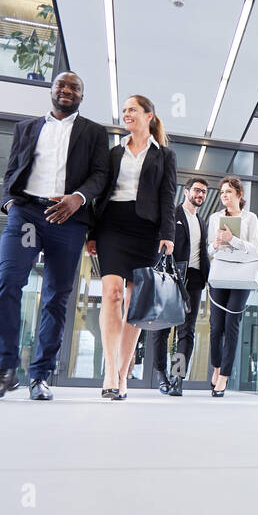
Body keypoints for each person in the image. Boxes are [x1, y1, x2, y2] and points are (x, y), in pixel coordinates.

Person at [0, 72, 109, 401]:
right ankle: (6, 369)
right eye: (61, 86)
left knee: (56, 296)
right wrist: (10, 202)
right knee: (8, 281)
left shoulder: (93, 132)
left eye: (74, 87)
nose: (67, 91)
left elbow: (100, 175)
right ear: (52, 91)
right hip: (28, 215)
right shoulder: (26, 128)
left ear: (82, 94)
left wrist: (77, 198)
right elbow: (12, 170)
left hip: (69, 218)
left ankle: (40, 375)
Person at [86, 94, 176, 400]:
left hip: (146, 231)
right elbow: (100, 194)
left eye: (133, 110)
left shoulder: (164, 155)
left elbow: (168, 196)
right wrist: (92, 233)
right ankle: (110, 371)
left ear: (149, 115)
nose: (127, 114)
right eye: (124, 110)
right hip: (112, 224)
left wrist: (168, 234)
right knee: (111, 294)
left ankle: (124, 374)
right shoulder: (114, 153)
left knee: (134, 305)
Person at [149, 176, 210, 395]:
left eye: (203, 191)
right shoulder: (172, 215)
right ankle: (162, 375)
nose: (200, 195)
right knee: (163, 328)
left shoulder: (203, 222)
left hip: (194, 280)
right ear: (186, 192)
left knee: (186, 331)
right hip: (170, 278)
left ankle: (177, 377)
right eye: (196, 190)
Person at [206, 175, 258, 398]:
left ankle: (225, 375)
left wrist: (233, 239)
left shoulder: (251, 218)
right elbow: (210, 251)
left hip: (242, 274)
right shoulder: (214, 218)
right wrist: (217, 243)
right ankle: (217, 367)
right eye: (222, 192)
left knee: (232, 324)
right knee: (215, 325)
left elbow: (255, 249)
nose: (224, 196)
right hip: (220, 272)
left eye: (228, 191)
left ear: (239, 194)